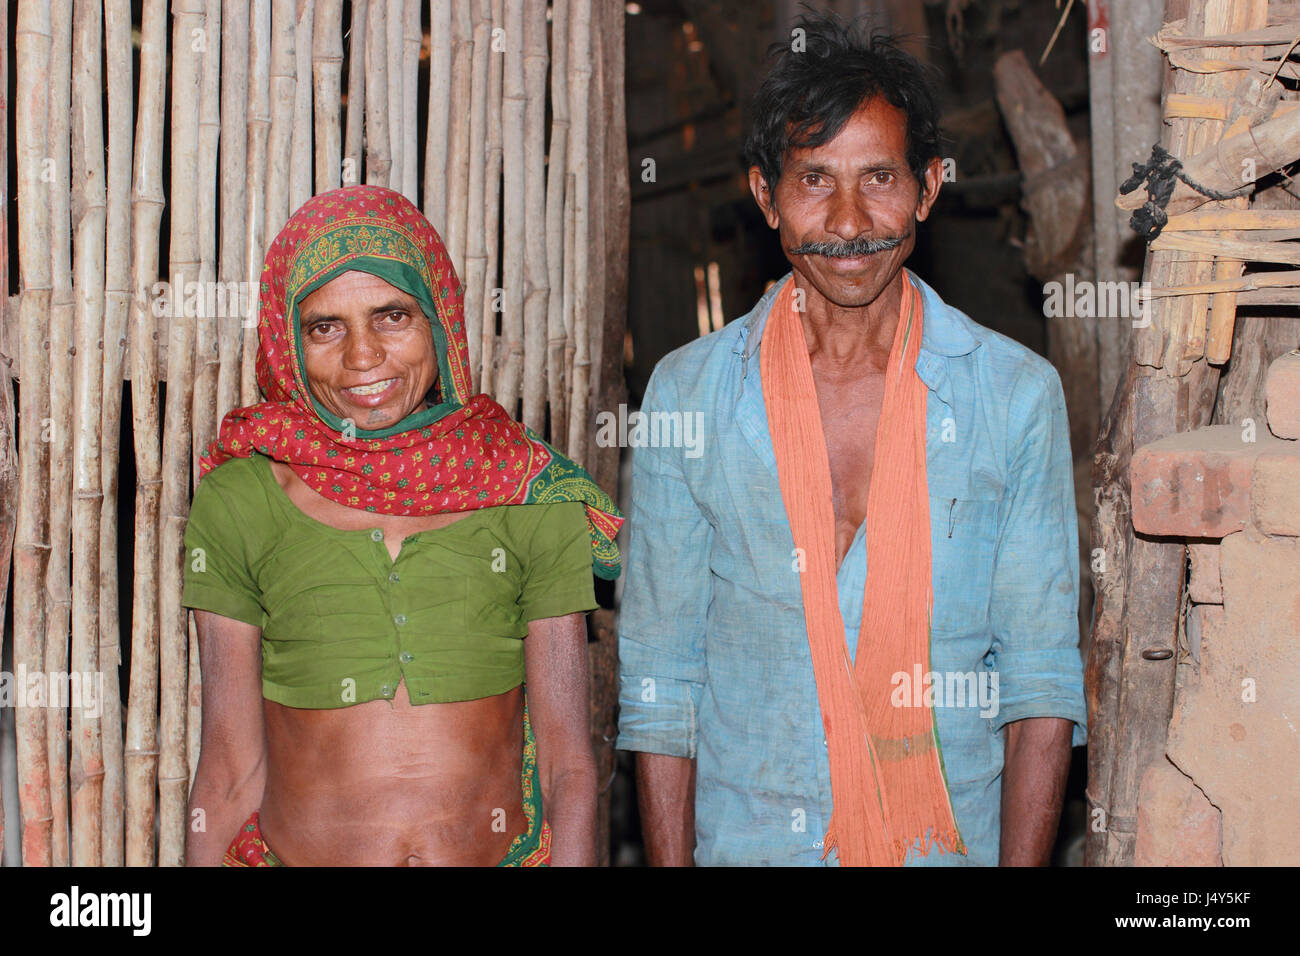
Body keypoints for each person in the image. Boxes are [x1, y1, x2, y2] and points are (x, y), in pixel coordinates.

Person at [616, 14, 1086, 866]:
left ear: (929, 189)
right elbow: (661, 683)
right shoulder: (689, 396)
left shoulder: (1013, 396)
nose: (847, 219)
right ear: (765, 196)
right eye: (812, 181)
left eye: (878, 178)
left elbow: (1041, 682)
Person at [181, 184, 623, 866]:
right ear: (287, 345)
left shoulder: (529, 491)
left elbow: (569, 767)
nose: (363, 357)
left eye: (392, 316)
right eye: (325, 326)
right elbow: (229, 767)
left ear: (439, 321)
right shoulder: (241, 500)